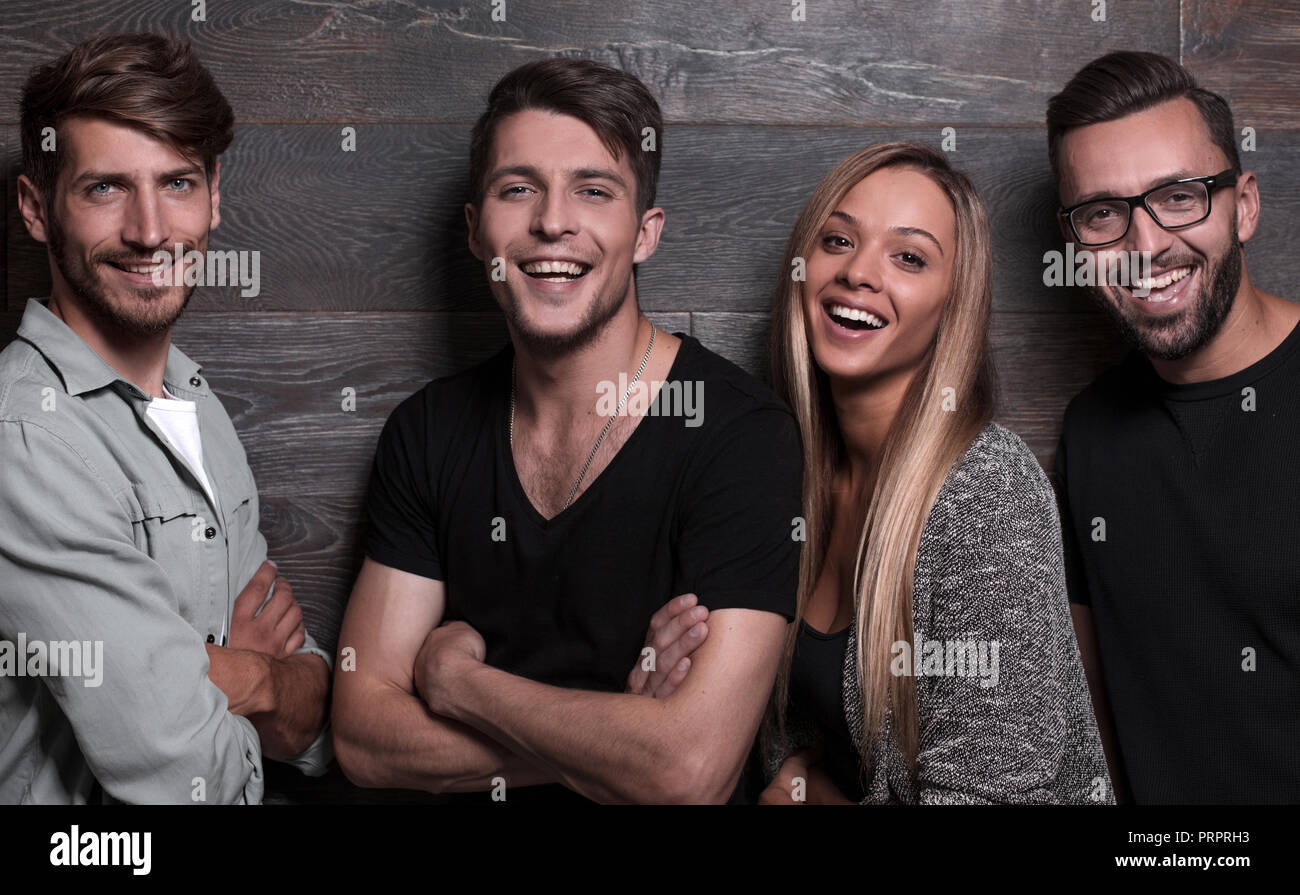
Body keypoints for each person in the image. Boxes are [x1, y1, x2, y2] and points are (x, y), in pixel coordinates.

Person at [331, 58, 802, 803]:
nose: (553, 221)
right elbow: (361, 734)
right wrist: (621, 733)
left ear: (646, 233)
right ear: (475, 230)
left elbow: (689, 772)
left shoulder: (740, 435)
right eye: (518, 189)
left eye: (594, 190)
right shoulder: (427, 431)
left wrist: (460, 682)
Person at [0, 33, 332, 804]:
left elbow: (313, 721)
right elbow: (192, 782)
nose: (151, 231)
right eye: (105, 188)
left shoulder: (196, 403)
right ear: (35, 209)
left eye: (176, 182)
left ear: (214, 193)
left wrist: (229, 672)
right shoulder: (28, 437)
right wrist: (264, 682)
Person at [758, 142, 1110, 804]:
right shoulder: (784, 478)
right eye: (838, 239)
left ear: (952, 305)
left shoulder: (984, 488)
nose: (858, 272)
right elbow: (797, 739)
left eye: (909, 257)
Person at [1048, 51, 1300, 804]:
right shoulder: (1091, 432)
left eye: (1180, 196)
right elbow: (1096, 723)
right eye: (1102, 214)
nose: (1146, 245)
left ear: (1244, 205)